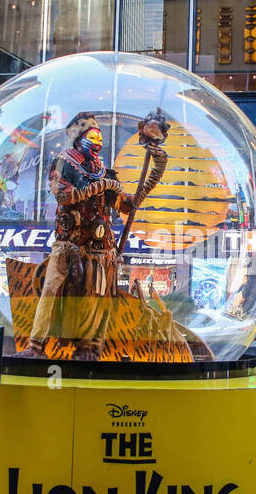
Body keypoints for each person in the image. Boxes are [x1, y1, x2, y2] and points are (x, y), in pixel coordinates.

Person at [18, 110, 170, 361]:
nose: (97, 141)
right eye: (92, 136)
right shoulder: (63, 163)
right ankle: (36, 345)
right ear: (79, 137)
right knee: (52, 289)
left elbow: (126, 205)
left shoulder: (104, 171)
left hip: (100, 248)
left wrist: (157, 169)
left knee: (97, 297)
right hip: (69, 243)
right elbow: (65, 196)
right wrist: (102, 186)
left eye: (99, 137)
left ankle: (89, 347)